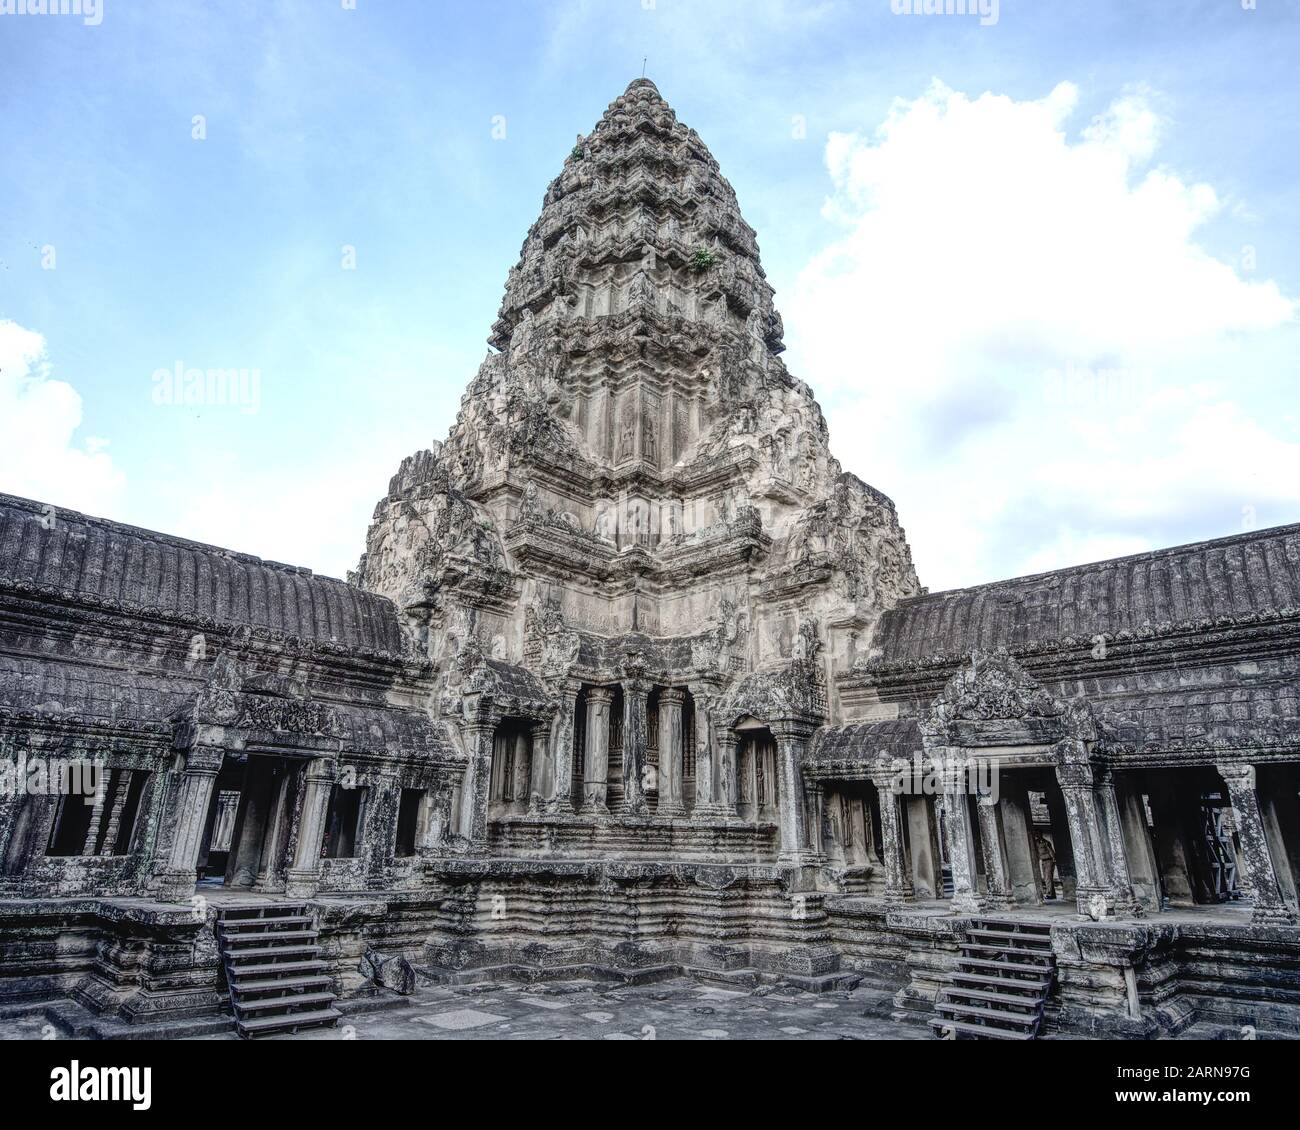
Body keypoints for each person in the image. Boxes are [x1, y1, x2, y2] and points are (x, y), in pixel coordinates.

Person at [1035, 833, 1058, 900]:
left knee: (1048, 877)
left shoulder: (1046, 842)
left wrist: (1054, 859)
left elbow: (1051, 851)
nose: (1037, 835)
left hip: (1049, 860)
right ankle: (1052, 894)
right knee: (1046, 878)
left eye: (1038, 833)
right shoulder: (1037, 842)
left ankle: (1049, 894)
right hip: (1043, 861)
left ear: (1040, 834)